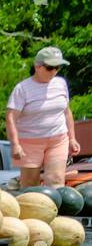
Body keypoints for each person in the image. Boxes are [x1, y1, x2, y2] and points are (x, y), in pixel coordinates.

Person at [6, 46, 80, 188]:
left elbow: (66, 112)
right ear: (37, 66)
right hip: (29, 142)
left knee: (56, 179)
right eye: (50, 67)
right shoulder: (22, 88)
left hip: (58, 139)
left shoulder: (61, 84)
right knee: (30, 184)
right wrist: (15, 144)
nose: (54, 71)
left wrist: (72, 138)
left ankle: (55, 209)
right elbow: (11, 117)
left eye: (57, 67)